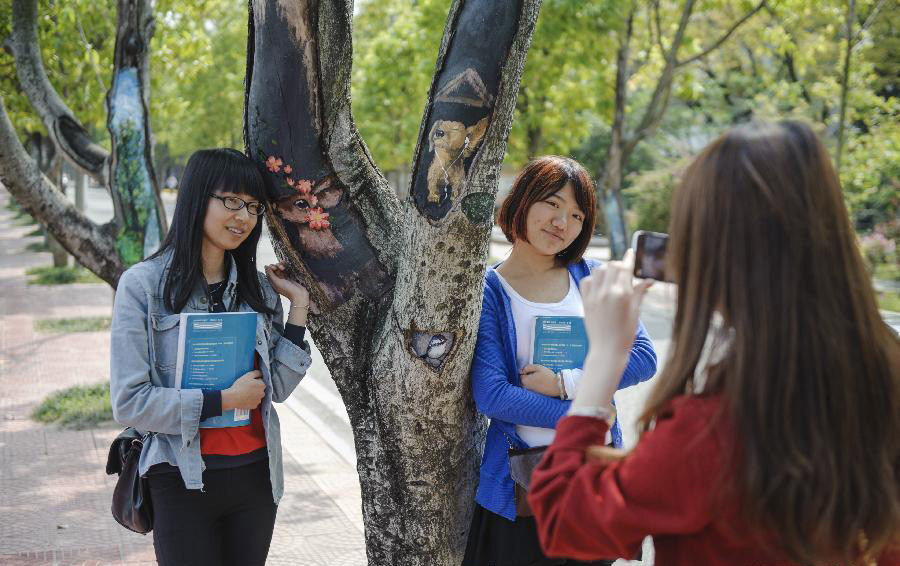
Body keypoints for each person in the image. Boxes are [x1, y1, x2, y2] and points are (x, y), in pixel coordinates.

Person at [529, 121, 900, 565]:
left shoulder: (714, 427)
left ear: (718, 255)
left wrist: (603, 359)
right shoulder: (884, 375)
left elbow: (565, 520)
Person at [110, 148, 313, 566]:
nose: (243, 217)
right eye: (232, 202)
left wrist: (298, 309)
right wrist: (220, 401)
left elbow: (276, 389)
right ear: (197, 198)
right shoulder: (143, 288)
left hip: (256, 478)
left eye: (254, 207)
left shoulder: (256, 291)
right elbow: (130, 401)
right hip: (179, 478)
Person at [463, 156, 658, 566]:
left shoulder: (593, 276)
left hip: (591, 480)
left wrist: (565, 383)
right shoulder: (489, 290)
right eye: (552, 204)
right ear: (522, 200)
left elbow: (642, 357)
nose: (562, 222)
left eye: (575, 214)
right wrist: (584, 414)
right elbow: (493, 396)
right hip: (523, 490)